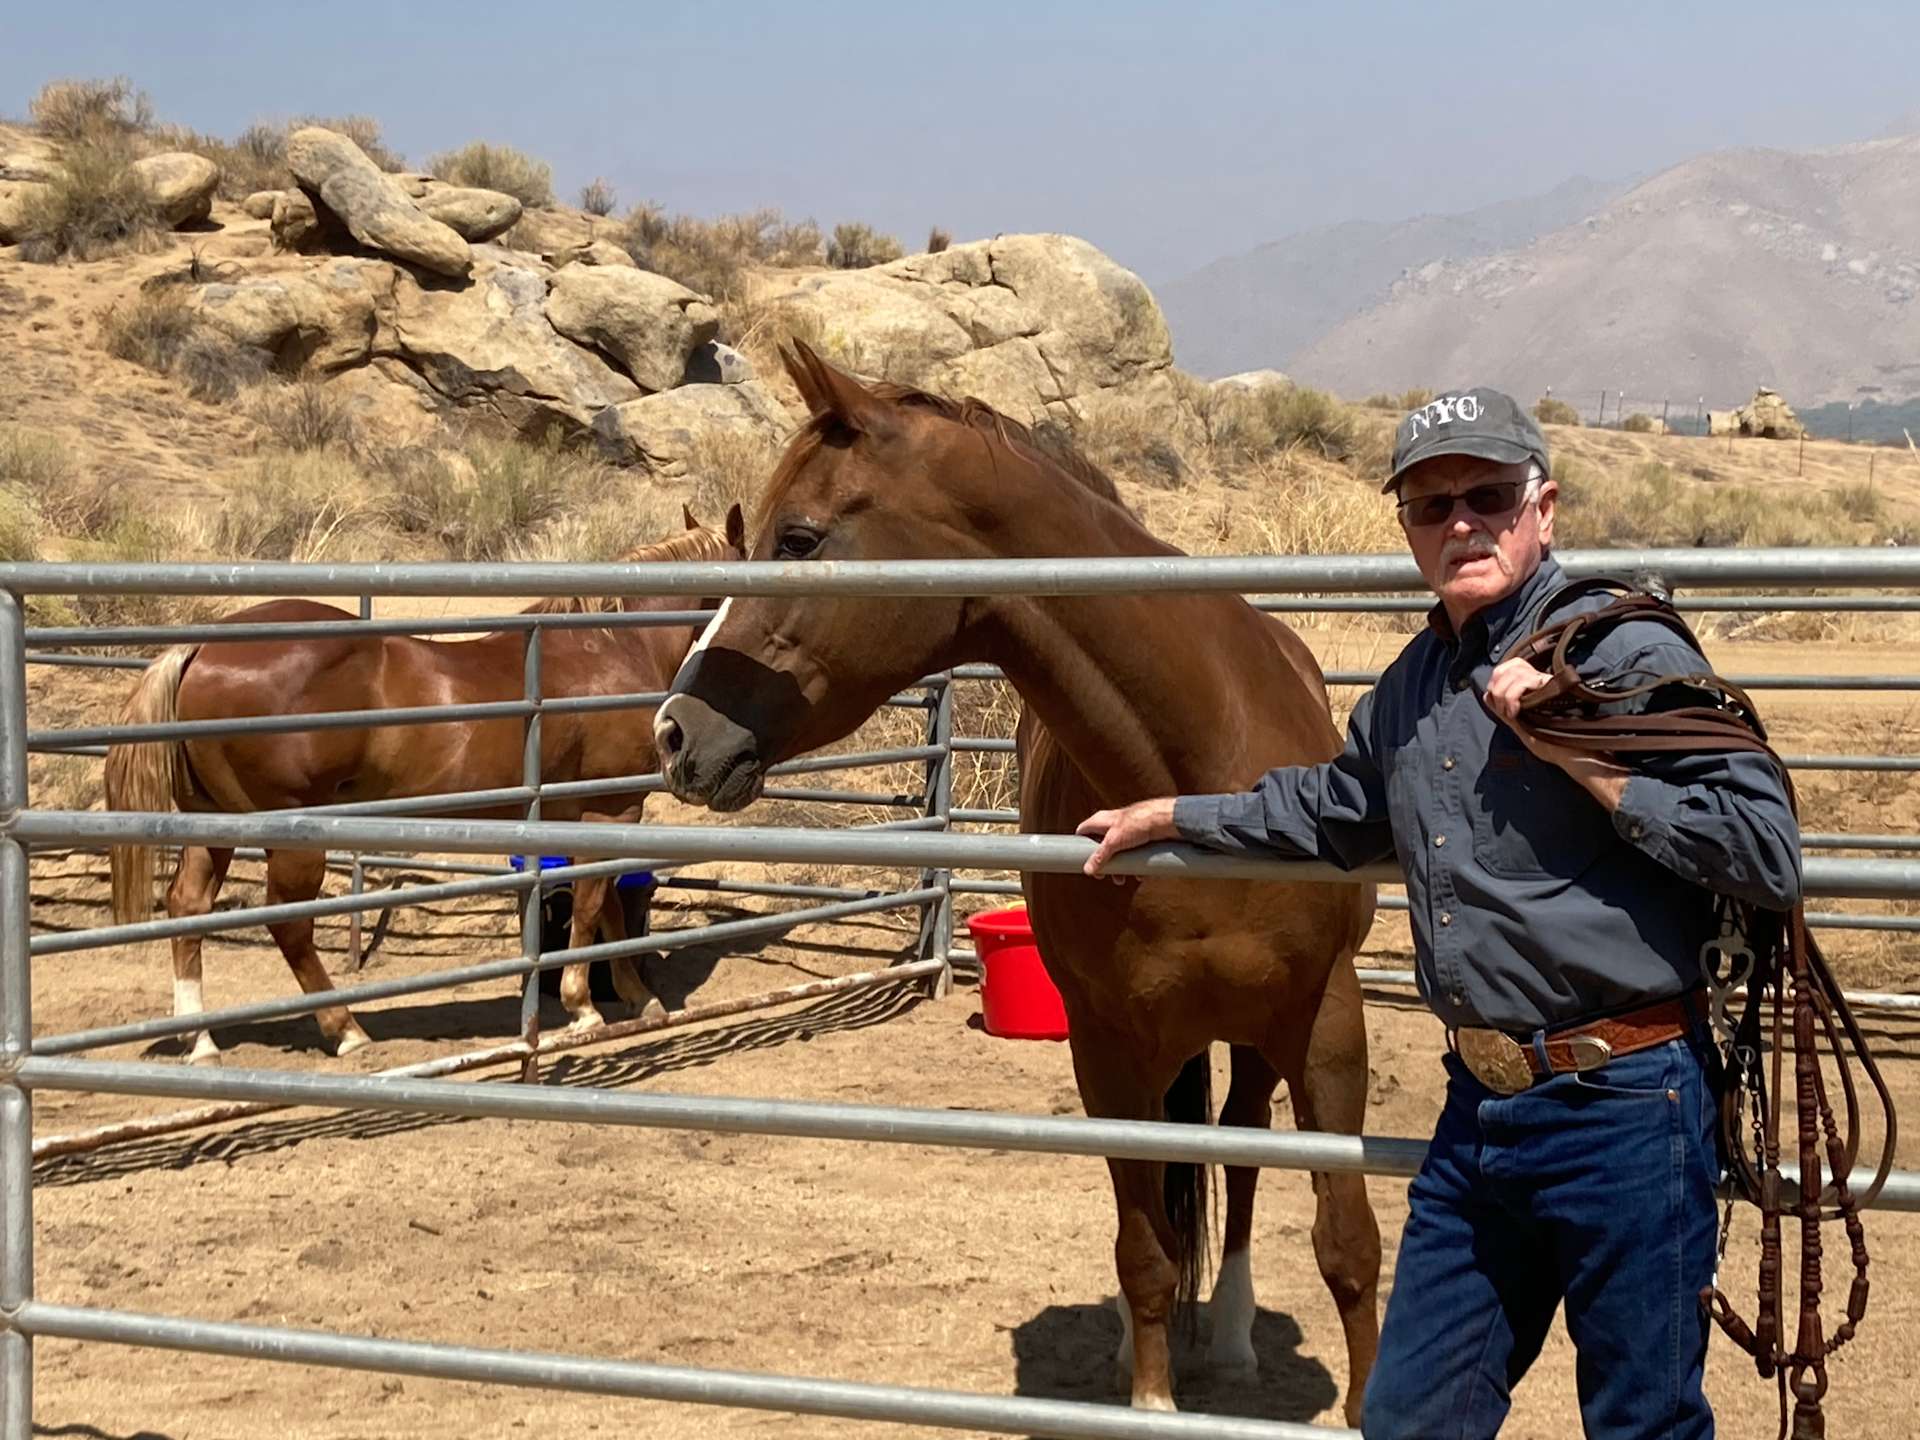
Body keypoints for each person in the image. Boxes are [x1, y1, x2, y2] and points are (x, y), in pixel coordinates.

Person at [1076, 388, 1802, 1439]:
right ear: (1407, 527)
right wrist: (1177, 815)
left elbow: (1765, 852)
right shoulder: (1414, 686)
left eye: (1488, 496)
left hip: (1629, 1103)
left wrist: (1579, 754)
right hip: (1480, 1112)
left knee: (1643, 1423)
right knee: (1414, 1417)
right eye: (1430, 504)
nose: (1460, 522)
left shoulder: (1621, 652)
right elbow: (1335, 809)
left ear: (1542, 508)